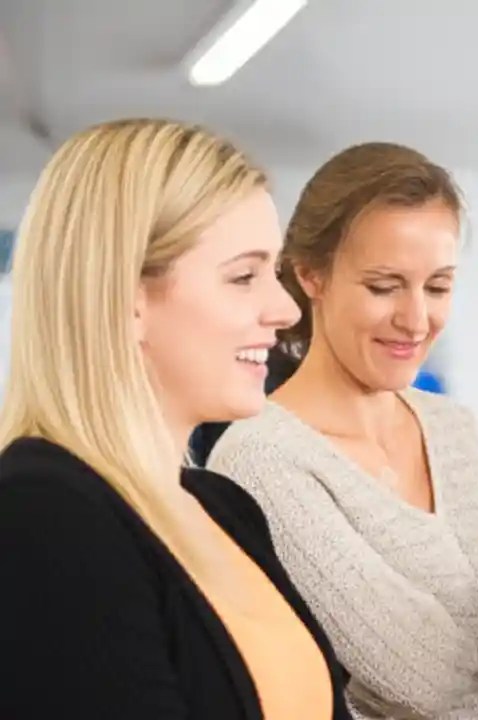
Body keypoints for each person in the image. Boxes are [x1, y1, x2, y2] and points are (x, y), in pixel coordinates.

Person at [0, 118, 353, 719]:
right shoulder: (43, 512)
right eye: (243, 276)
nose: (285, 308)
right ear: (127, 300)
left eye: (273, 274)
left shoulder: (223, 507)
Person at [206, 141, 478, 719]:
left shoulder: (458, 431)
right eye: (383, 286)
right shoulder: (259, 459)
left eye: (438, 287)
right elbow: (424, 675)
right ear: (311, 275)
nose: (415, 320)